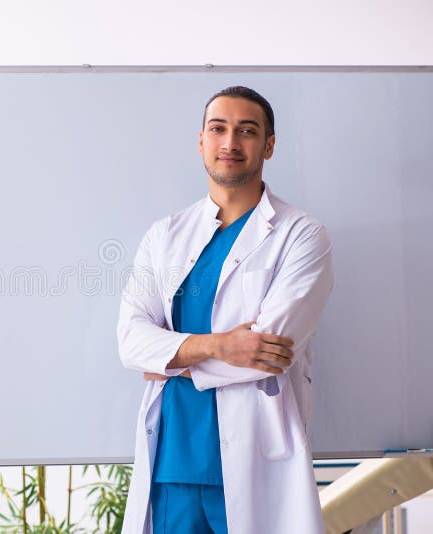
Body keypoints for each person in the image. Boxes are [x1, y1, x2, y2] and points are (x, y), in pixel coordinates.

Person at [117, 86, 334, 534]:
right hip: (172, 465)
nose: (230, 142)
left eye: (247, 131)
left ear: (269, 145)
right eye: (218, 129)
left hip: (257, 458)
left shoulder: (302, 235)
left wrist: (171, 361)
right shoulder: (164, 235)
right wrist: (218, 345)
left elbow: (267, 351)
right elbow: (131, 341)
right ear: (201, 141)